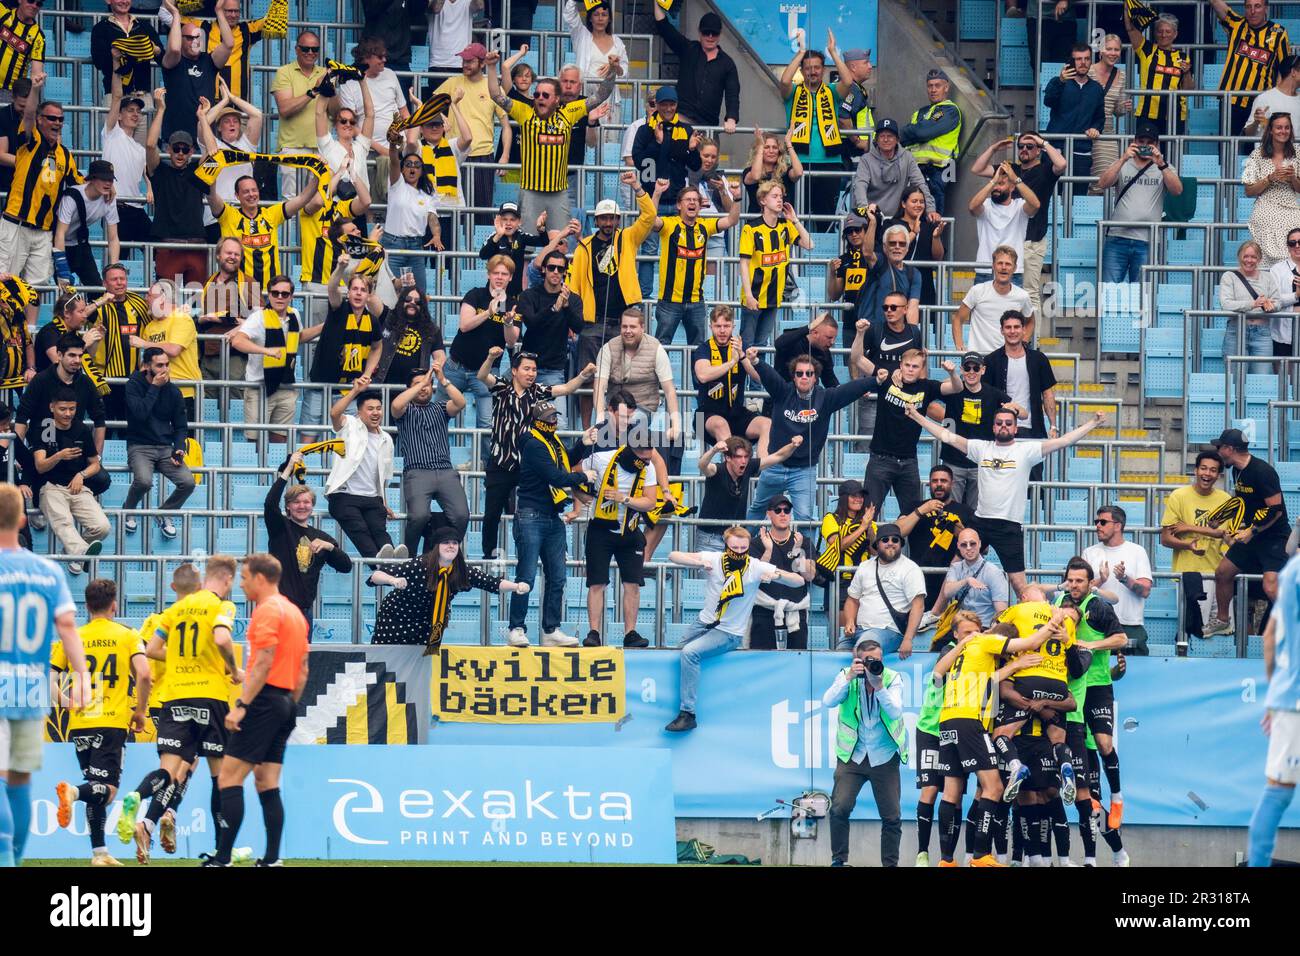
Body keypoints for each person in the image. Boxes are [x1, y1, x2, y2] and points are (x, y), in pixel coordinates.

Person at [904, 403, 1108, 598]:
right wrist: (916, 416)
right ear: (993, 427)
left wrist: (1093, 423)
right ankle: (936, 614)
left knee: (1020, 586)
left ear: (1016, 428)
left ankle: (1027, 616)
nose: (1004, 426)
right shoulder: (981, 448)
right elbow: (946, 435)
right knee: (954, 569)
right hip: (980, 521)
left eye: (1008, 423)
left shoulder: (1026, 450)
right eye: (999, 423)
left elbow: (1064, 441)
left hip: (1009, 527)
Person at [116, 554, 241, 865]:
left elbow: (152, 649)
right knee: (219, 777)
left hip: (174, 698)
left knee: (169, 771)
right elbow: (222, 638)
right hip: (210, 696)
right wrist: (233, 669)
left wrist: (182, 659)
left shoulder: (174, 610)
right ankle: (221, 851)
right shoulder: (222, 606)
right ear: (227, 579)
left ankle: (138, 795)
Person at [204, 553, 309, 869]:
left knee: (228, 777)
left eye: (245, 577)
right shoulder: (294, 612)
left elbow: (263, 661)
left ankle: (222, 859)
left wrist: (242, 705)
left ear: (260, 579)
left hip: (262, 701)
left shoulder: (267, 611)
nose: (241, 584)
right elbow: (303, 669)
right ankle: (272, 859)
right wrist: (287, 703)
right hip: (285, 702)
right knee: (267, 781)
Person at [0, 483, 85, 869]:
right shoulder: (48, 572)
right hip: (32, 690)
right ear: (22, 521)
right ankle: (15, 858)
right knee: (19, 779)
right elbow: (67, 627)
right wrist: (82, 676)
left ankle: (5, 857)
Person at [935, 616, 1057, 867]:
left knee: (951, 792)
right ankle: (980, 856)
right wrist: (1054, 621)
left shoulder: (968, 650)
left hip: (947, 719)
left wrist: (1014, 666)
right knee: (994, 788)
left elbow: (977, 678)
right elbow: (1032, 641)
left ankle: (946, 860)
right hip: (969, 720)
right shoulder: (987, 642)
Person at [664, 527, 806, 731]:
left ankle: (688, 713)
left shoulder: (755, 566)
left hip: (729, 632)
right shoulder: (714, 559)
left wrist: (776, 576)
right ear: (726, 545)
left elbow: (799, 581)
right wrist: (698, 563)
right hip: (703, 623)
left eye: (743, 548)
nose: (739, 552)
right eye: (734, 548)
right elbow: (673, 555)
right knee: (673, 654)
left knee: (689, 653)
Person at [51, 578, 150, 868]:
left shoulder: (73, 638)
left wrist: (65, 702)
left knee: (96, 787)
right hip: (111, 722)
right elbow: (144, 674)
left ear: (86, 606)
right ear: (114, 605)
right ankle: (74, 792)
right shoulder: (127, 635)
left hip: (80, 722)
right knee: (107, 791)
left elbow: (48, 679)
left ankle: (100, 853)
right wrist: (140, 711)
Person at [487, 46, 619, 238]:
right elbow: (496, 95)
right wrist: (491, 67)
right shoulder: (525, 112)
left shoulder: (569, 112)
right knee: (527, 243)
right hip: (530, 192)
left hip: (558, 193)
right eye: (537, 95)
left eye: (545, 95)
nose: (540, 98)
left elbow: (601, 95)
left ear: (557, 99)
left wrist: (612, 70)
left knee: (559, 243)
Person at [479, 347, 593, 560]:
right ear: (514, 371)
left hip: (529, 464)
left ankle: (555, 549)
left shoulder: (538, 391)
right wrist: (490, 357)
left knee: (544, 505)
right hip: (501, 462)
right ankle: (488, 555)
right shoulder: (502, 388)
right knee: (492, 512)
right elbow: (482, 376)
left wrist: (583, 375)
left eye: (534, 369)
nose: (531, 373)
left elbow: (566, 388)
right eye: (526, 369)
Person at [569, 171, 660, 425]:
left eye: (612, 218)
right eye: (604, 218)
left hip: (622, 323)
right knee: (587, 377)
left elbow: (649, 216)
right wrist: (573, 322)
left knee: (620, 380)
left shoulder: (628, 237)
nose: (608, 222)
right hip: (592, 322)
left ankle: (617, 428)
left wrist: (637, 188)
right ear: (596, 221)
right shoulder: (584, 247)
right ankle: (588, 429)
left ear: (618, 220)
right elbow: (575, 289)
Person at [748, 352, 875, 523]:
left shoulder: (825, 398)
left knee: (805, 518)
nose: (804, 377)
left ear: (815, 378)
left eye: (809, 373)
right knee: (758, 508)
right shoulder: (782, 392)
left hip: (803, 470)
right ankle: (744, 540)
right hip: (774, 466)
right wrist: (756, 361)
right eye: (799, 373)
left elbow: (850, 389)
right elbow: (769, 376)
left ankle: (806, 543)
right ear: (793, 377)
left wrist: (876, 380)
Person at [1055, 557, 1130, 833]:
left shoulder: (1098, 606)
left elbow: (1121, 639)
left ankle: (1117, 796)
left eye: (1080, 581)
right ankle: (1094, 800)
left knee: (1103, 743)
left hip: (1097, 684)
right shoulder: (1059, 604)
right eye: (1071, 580)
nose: (1074, 585)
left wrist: (1090, 644)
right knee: (1083, 746)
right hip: (1071, 686)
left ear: (1090, 583)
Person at [510, 402, 592, 648]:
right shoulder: (534, 444)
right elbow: (556, 477)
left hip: (552, 516)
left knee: (558, 577)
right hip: (530, 516)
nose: (553, 421)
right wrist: (583, 476)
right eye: (548, 418)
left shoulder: (552, 441)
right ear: (537, 421)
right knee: (526, 576)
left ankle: (551, 630)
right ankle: (516, 628)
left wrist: (582, 444)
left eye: (554, 417)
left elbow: (564, 462)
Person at [0, 85, 80, 330]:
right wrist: (35, 89)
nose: (57, 123)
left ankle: (30, 333)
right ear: (40, 120)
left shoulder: (65, 155)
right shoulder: (31, 141)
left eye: (61, 119)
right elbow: (27, 115)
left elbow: (81, 185)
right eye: (52, 118)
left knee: (36, 286)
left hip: (43, 231)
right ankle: (4, 331)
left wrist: (105, 186)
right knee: (5, 281)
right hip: (16, 224)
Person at [823, 634, 907, 866]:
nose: (873, 664)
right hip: (853, 755)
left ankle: (890, 864)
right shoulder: (847, 676)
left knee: (892, 816)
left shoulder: (891, 678)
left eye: (877, 660)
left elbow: (895, 712)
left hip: (885, 756)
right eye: (868, 660)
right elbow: (828, 701)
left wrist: (879, 687)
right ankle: (839, 860)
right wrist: (849, 676)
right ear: (857, 660)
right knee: (839, 808)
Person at [371, 529, 527, 647]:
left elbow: (492, 583)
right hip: (396, 619)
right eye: (446, 542)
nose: (451, 546)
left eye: (455, 543)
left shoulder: (461, 569)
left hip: (427, 624)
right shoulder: (420, 564)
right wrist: (393, 580)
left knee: (419, 671)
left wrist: (516, 586)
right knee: (384, 665)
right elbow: (375, 576)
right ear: (437, 547)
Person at [1205, 428, 1291, 636]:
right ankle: (1223, 620)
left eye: (1219, 447)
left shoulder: (1263, 472)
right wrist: (1221, 517)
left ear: (1230, 449)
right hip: (1253, 535)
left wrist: (1252, 531)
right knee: (1223, 572)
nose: (1217, 452)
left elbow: (1276, 510)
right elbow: (1243, 502)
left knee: (1270, 587)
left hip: (1274, 537)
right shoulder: (1236, 470)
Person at [857, 345, 961, 515]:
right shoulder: (887, 379)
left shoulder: (927, 387)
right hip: (880, 459)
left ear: (921, 369)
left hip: (908, 462)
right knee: (868, 514)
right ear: (900, 365)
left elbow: (957, 388)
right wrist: (860, 334)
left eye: (915, 366)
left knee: (914, 516)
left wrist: (952, 373)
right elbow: (858, 359)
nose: (910, 369)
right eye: (907, 365)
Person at [970, 133, 1066, 314]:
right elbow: (977, 169)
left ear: (1038, 150)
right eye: (1021, 146)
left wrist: (1043, 142)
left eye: (1030, 146)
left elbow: (1061, 164)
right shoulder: (1010, 169)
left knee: (1029, 294)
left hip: (1033, 240)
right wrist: (993, 149)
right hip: (1010, 241)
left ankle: (1031, 334)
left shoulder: (1045, 170)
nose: (1024, 149)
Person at [1247, 551, 1300, 866]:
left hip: (1289, 699)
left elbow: (1269, 637)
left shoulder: (1291, 570)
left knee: (1278, 791)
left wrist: (1276, 693)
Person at [444, 255, 521, 463]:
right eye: (496, 273)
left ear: (510, 277)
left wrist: (507, 322)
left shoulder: (513, 304)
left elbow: (511, 341)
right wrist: (489, 312)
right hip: (456, 366)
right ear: (488, 274)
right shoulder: (475, 294)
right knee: (438, 415)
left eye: (504, 274)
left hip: (486, 373)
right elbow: (464, 326)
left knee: (487, 424)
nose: (499, 277)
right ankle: (434, 459)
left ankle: (487, 467)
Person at [265, 452, 352, 632]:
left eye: (306, 502)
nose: (302, 506)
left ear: (312, 506)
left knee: (303, 652)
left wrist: (330, 547)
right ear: (288, 506)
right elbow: (270, 504)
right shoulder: (280, 527)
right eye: (296, 502)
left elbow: (346, 566)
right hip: (278, 609)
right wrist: (288, 469)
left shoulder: (322, 538)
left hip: (304, 613)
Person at [231, 275, 322, 444]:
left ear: (291, 296)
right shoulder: (258, 317)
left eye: (284, 294)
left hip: (286, 385)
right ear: (269, 295)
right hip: (260, 387)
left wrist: (323, 327)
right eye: (275, 293)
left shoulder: (294, 315)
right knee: (255, 441)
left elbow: (298, 337)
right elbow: (237, 341)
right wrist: (266, 351)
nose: (279, 297)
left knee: (280, 441)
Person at [591, 309, 682, 476]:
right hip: (613, 408)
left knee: (633, 422)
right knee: (600, 430)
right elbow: (599, 386)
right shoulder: (608, 348)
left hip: (643, 407)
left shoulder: (656, 348)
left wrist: (675, 423)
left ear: (642, 328)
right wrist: (599, 418)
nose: (628, 331)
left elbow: (669, 390)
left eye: (632, 327)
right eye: (624, 326)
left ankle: (630, 472)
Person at [391, 362, 469, 553]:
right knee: (419, 516)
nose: (424, 387)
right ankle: (408, 557)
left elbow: (461, 403)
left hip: (445, 471)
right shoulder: (405, 411)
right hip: (417, 472)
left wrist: (442, 379)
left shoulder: (440, 407)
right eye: (417, 384)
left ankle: (442, 553)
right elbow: (396, 405)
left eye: (427, 384)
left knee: (461, 516)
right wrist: (422, 382)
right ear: (409, 388)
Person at [928, 350, 1020, 510]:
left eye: (976, 368)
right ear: (962, 370)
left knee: (977, 512)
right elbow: (926, 397)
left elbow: (1024, 413)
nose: (971, 372)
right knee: (949, 510)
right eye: (967, 368)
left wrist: (1014, 408)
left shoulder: (993, 393)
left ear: (983, 370)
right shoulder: (953, 389)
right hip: (953, 459)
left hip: (980, 462)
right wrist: (946, 419)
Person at [32, 388, 109, 576]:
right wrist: (59, 456)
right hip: (51, 487)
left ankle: (73, 551)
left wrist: (81, 475)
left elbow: (95, 464)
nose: (68, 414)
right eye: (63, 409)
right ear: (52, 407)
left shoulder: (81, 429)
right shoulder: (46, 428)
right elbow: (40, 466)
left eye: (72, 409)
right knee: (64, 522)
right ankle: (80, 553)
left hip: (77, 487)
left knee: (102, 527)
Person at [1161, 451, 1233, 649]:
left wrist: (1189, 527)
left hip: (1220, 576)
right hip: (1191, 575)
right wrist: (1187, 545)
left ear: (1218, 475)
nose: (1207, 474)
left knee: (1222, 634)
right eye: (1203, 468)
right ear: (1195, 470)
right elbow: (1165, 538)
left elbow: (1226, 535)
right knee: (1195, 632)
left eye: (1213, 470)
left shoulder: (1226, 499)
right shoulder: (1179, 496)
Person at [652, 183, 739, 346]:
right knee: (661, 348)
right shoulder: (670, 225)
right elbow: (650, 220)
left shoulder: (705, 226)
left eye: (695, 200)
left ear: (700, 206)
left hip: (696, 301)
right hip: (669, 301)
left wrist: (737, 198)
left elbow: (732, 220)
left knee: (698, 349)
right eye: (688, 199)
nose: (692, 202)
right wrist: (657, 193)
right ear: (679, 205)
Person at [433, 43, 512, 222]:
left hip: (482, 154)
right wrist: (442, 117)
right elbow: (430, 106)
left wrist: (505, 156)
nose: (465, 64)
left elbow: (506, 126)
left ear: (482, 63)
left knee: (481, 212)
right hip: (453, 154)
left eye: (470, 61)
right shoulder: (452, 82)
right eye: (464, 60)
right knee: (451, 211)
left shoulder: (493, 87)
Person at [121, 348, 194, 540]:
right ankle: (129, 510)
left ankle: (164, 513)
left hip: (165, 448)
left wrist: (180, 448)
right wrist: (154, 388)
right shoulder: (133, 385)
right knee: (144, 481)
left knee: (188, 482)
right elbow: (140, 414)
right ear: (146, 366)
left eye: (167, 365)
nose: (165, 369)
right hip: (139, 446)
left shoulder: (174, 391)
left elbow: (181, 426)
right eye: (159, 365)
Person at [1097, 123, 1183, 283]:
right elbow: (1102, 183)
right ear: (1134, 142)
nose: (1144, 146)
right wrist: (1123, 158)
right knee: (1108, 291)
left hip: (1147, 240)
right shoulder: (1123, 163)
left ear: (1157, 145)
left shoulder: (1164, 167)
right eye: (1141, 141)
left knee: (1143, 293)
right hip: (1117, 237)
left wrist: (1161, 164)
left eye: (1149, 143)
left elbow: (1177, 190)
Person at [304, 266, 386, 428]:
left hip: (349, 390)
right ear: (348, 292)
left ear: (368, 295)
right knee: (309, 436)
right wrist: (341, 267)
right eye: (354, 289)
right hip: (320, 385)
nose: (358, 293)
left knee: (349, 436)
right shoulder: (338, 310)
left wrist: (367, 374)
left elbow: (377, 347)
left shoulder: (372, 321)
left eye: (363, 290)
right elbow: (332, 287)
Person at [327, 379, 399, 562]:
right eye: (370, 409)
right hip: (345, 496)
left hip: (372, 498)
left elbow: (383, 476)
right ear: (359, 412)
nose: (376, 412)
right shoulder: (350, 425)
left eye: (379, 408)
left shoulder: (387, 439)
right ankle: (383, 566)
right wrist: (355, 391)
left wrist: (384, 502)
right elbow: (334, 413)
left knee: (380, 531)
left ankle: (392, 563)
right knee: (360, 530)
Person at [209, 172, 318, 292]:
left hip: (271, 292)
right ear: (237, 195)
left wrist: (318, 176)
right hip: (239, 291)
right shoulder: (228, 216)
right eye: (246, 191)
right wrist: (212, 171)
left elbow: (302, 198)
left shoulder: (271, 214)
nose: (251, 194)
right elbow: (211, 196)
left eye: (254, 190)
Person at [146, 94, 209, 290]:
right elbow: (150, 145)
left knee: (197, 299)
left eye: (185, 149)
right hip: (168, 246)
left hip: (196, 244)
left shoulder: (197, 173)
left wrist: (203, 118)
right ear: (168, 150)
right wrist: (161, 109)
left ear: (191, 152)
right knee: (164, 299)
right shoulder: (160, 172)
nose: (180, 153)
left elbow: (212, 152)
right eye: (176, 148)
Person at [738, 182, 813, 346]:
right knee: (746, 346)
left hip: (774, 298)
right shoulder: (751, 228)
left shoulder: (786, 226)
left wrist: (795, 220)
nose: (780, 200)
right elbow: (744, 264)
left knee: (762, 345)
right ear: (763, 200)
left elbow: (809, 244)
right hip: (754, 296)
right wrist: (748, 295)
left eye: (781, 196)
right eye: (774, 196)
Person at [695, 435, 802, 550]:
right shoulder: (717, 470)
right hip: (710, 538)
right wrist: (714, 450)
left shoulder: (749, 466)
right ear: (728, 457)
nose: (743, 461)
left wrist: (793, 445)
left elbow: (779, 456)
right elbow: (702, 465)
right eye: (738, 457)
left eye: (746, 457)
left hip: (736, 537)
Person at [778, 39, 843, 226]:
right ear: (801, 70)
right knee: (794, 215)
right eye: (807, 68)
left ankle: (823, 246)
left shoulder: (832, 91)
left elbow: (848, 81)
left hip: (830, 162)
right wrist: (800, 53)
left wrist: (833, 52)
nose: (812, 71)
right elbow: (784, 81)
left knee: (825, 218)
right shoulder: (793, 93)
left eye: (816, 67)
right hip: (798, 162)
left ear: (823, 70)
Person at [519, 245, 585, 427]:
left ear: (565, 272)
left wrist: (565, 307)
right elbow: (531, 323)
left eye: (560, 269)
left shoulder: (572, 299)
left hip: (553, 369)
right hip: (527, 366)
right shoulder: (529, 295)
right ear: (543, 269)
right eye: (551, 267)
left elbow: (578, 327)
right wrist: (554, 308)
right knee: (522, 423)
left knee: (559, 424)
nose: (556, 272)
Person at [339, 37, 409, 207]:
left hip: (400, 147)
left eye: (385, 56)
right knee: (371, 203)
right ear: (366, 58)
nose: (384, 60)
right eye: (380, 57)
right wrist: (381, 149)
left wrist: (409, 142)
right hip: (369, 151)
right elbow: (350, 125)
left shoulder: (390, 74)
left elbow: (404, 112)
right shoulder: (349, 83)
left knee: (400, 201)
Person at [983, 310, 1059, 466]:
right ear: (1001, 330)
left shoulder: (1039, 359)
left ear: (1024, 329)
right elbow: (985, 396)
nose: (1012, 331)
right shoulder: (991, 360)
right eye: (1008, 327)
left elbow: (1048, 394)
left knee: (1034, 477)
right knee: (1003, 476)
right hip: (1002, 430)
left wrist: (1053, 425)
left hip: (1032, 429)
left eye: (1016, 327)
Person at [841, 522, 926, 656]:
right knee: (837, 655)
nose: (890, 543)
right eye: (885, 540)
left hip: (889, 631)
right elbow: (852, 600)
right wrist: (850, 620)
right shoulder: (864, 566)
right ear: (877, 544)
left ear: (901, 544)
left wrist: (908, 639)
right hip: (859, 630)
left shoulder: (910, 568)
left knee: (863, 651)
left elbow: (918, 606)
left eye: (895, 540)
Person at [896, 464, 973, 610]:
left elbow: (980, 547)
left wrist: (959, 529)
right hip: (919, 576)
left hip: (953, 577)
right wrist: (920, 511)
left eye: (943, 481)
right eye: (935, 481)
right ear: (929, 484)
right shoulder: (915, 506)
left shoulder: (965, 511)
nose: (939, 485)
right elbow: (897, 532)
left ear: (952, 484)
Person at [1212, 0, 1292, 138]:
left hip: (1261, 102)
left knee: (1257, 148)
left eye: (1257, 6)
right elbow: (1216, 4)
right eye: (1248, 7)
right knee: (1227, 146)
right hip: (1231, 100)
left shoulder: (1278, 32)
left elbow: (1284, 69)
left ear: (1266, 8)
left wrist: (1278, 100)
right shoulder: (1237, 25)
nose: (1253, 11)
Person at [1082, 505, 1154, 656]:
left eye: (1103, 522)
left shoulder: (1137, 551)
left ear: (1117, 526)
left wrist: (1124, 578)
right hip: (1097, 624)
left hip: (1130, 624)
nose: (1097, 526)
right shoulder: (1089, 552)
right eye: (1096, 522)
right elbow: (1080, 589)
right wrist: (1101, 580)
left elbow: (1145, 591)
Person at [651, 6, 738, 130]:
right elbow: (664, 27)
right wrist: (657, 2)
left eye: (714, 33)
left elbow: (732, 95)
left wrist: (731, 119)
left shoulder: (728, 64)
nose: (710, 36)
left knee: (711, 143)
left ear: (720, 34)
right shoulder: (688, 49)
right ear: (699, 32)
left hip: (708, 126)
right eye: (706, 32)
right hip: (681, 118)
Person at [692, 304, 766, 446]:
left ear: (733, 326)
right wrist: (731, 362)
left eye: (726, 326)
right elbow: (703, 375)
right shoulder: (704, 348)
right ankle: (732, 460)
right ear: (711, 327)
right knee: (721, 425)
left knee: (767, 424)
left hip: (736, 413)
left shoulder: (741, 348)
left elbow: (759, 378)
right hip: (703, 417)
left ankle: (759, 462)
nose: (722, 330)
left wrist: (743, 357)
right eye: (717, 326)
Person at [158, 0, 230, 144]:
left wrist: (219, 11)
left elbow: (228, 44)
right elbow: (174, 49)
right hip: (174, 139)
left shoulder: (209, 60)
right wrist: (176, 15)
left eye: (197, 37)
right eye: (189, 38)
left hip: (204, 138)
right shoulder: (173, 60)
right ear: (181, 39)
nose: (194, 41)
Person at [751, 495, 815, 650]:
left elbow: (809, 576)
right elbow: (757, 576)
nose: (783, 514)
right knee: (761, 659)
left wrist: (798, 552)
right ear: (769, 514)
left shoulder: (803, 541)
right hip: (764, 612)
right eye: (778, 510)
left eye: (786, 510)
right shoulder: (757, 543)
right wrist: (768, 551)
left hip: (795, 612)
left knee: (796, 660)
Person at [270, 31, 327, 199]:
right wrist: (314, 91)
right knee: (291, 202)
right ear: (296, 49)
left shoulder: (325, 73)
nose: (310, 52)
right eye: (305, 48)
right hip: (292, 146)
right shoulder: (284, 72)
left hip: (321, 147)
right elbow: (285, 109)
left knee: (317, 201)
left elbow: (336, 111)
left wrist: (331, 90)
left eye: (314, 49)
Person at [850, 118, 937, 223]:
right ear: (876, 140)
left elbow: (920, 184)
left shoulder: (907, 157)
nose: (886, 140)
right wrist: (864, 211)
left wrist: (930, 209)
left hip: (898, 219)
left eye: (890, 136)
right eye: (882, 136)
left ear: (897, 140)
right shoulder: (866, 159)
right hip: (871, 217)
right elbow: (860, 185)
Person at [901, 69, 963, 215]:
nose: (933, 90)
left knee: (932, 215)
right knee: (914, 215)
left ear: (946, 87)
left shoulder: (950, 110)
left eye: (937, 85)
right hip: (916, 169)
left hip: (939, 170)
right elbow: (906, 137)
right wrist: (914, 131)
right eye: (930, 86)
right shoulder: (921, 112)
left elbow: (922, 132)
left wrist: (912, 131)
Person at [921, 527, 1010, 628]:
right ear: (958, 546)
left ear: (980, 544)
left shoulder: (993, 572)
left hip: (984, 626)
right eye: (964, 545)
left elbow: (1001, 613)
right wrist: (966, 581)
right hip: (961, 626)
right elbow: (947, 592)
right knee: (941, 638)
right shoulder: (956, 567)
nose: (968, 548)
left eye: (972, 544)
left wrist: (990, 632)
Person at [632, 87, 703, 212]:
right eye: (664, 104)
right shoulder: (645, 130)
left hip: (678, 201)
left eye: (672, 104)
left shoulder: (686, 130)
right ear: (657, 105)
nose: (668, 109)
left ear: (677, 105)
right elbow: (639, 162)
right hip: (652, 199)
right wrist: (657, 143)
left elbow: (695, 166)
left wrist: (692, 149)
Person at [1243, 112, 1300, 267]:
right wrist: (1270, 178)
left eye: (1287, 127)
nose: (1283, 131)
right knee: (1265, 263)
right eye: (1279, 127)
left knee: (1292, 256)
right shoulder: (1256, 154)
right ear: (1270, 130)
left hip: (1291, 209)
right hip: (1265, 209)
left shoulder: (1298, 153)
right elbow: (1248, 191)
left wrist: (1293, 178)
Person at [1043, 44, 1105, 180]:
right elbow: (1048, 101)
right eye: (1078, 59)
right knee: (1050, 190)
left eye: (1087, 59)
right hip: (1055, 149)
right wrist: (1060, 82)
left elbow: (1100, 117)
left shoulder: (1096, 88)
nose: (1083, 63)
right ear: (1071, 61)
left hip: (1082, 151)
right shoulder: (1057, 82)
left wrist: (1095, 128)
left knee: (1079, 191)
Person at [142, 280, 202, 419]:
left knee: (183, 432)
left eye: (149, 295)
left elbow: (174, 349)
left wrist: (145, 343)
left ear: (162, 299)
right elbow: (145, 361)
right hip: (156, 389)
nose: (146, 299)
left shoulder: (182, 319)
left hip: (183, 390)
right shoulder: (150, 327)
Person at [1125, 10, 1190, 138]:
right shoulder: (1147, 49)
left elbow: (1188, 90)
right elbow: (1130, 29)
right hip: (1147, 113)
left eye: (1168, 31)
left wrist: (1187, 73)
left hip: (1174, 115)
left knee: (1170, 151)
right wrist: (1127, 5)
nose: (1163, 35)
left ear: (1175, 34)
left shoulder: (1183, 57)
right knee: (1145, 149)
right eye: (1160, 31)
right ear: (1155, 33)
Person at [968, 163, 1040, 278]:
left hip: (1013, 272)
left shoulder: (1019, 206)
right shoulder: (985, 205)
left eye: (1001, 184)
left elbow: (1035, 205)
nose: (996, 187)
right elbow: (972, 207)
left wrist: (1016, 179)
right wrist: (993, 181)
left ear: (1012, 187)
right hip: (985, 270)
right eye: (995, 184)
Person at [1222, 239, 1281, 375]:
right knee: (1235, 378)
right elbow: (1226, 304)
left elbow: (1278, 302)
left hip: (1262, 333)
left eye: (1253, 257)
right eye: (1246, 256)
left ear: (1259, 259)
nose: (1249, 260)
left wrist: (1270, 305)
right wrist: (1253, 304)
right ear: (1239, 257)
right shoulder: (1229, 276)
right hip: (1236, 330)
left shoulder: (1268, 277)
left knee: (1262, 378)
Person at [1088, 34, 1130, 193]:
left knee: (1108, 182)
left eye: (1116, 50)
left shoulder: (1121, 75)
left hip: (1106, 133)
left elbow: (1117, 111)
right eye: (1109, 49)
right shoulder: (1089, 71)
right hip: (1086, 130)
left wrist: (1124, 107)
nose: (1113, 53)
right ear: (1100, 51)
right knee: (1089, 183)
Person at [827, 37, 874, 171]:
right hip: (849, 150)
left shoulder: (850, 87)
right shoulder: (851, 88)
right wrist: (857, 141)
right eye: (866, 63)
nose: (870, 66)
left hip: (848, 151)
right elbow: (842, 117)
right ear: (853, 67)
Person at [564, 0, 627, 94]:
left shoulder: (618, 42)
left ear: (609, 19)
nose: (600, 18)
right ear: (590, 18)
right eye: (596, 14)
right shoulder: (581, 35)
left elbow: (624, 73)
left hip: (610, 97)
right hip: (585, 96)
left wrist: (615, 67)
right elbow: (570, 16)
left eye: (604, 15)